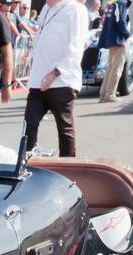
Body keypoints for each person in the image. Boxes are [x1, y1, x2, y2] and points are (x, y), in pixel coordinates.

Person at [24, 0, 85, 156]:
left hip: (62, 81)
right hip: (38, 80)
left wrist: (56, 72)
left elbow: (76, 47)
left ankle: (69, 169)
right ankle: (27, 164)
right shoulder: (45, 9)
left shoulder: (75, 9)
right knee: (28, 125)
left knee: (64, 129)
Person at [97, 0, 131, 101]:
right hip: (119, 40)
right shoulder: (121, 3)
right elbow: (121, 21)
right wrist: (127, 35)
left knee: (110, 68)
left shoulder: (113, 4)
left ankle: (103, 94)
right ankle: (110, 95)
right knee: (116, 69)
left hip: (111, 39)